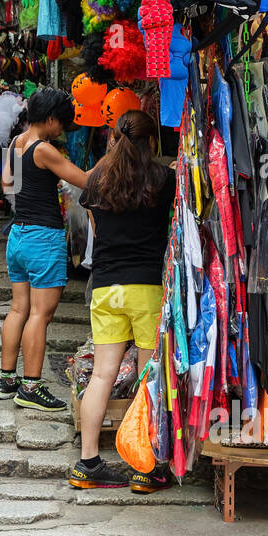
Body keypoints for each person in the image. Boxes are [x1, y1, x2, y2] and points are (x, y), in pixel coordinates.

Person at [68, 109, 176, 492]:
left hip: (105, 287)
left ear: (115, 138)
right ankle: (145, 468)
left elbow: (97, 228)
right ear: (151, 142)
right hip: (146, 287)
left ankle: (88, 462)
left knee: (101, 375)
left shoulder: (97, 181)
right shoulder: (165, 180)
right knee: (147, 379)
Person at [0, 89, 88, 412]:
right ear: (50, 119)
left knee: (18, 309)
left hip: (18, 236)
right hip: (42, 237)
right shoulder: (44, 149)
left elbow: (6, 182)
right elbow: (83, 180)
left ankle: (7, 379)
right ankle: (31, 386)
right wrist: (110, 161)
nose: (62, 129)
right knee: (40, 314)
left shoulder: (16, 142)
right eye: (61, 123)